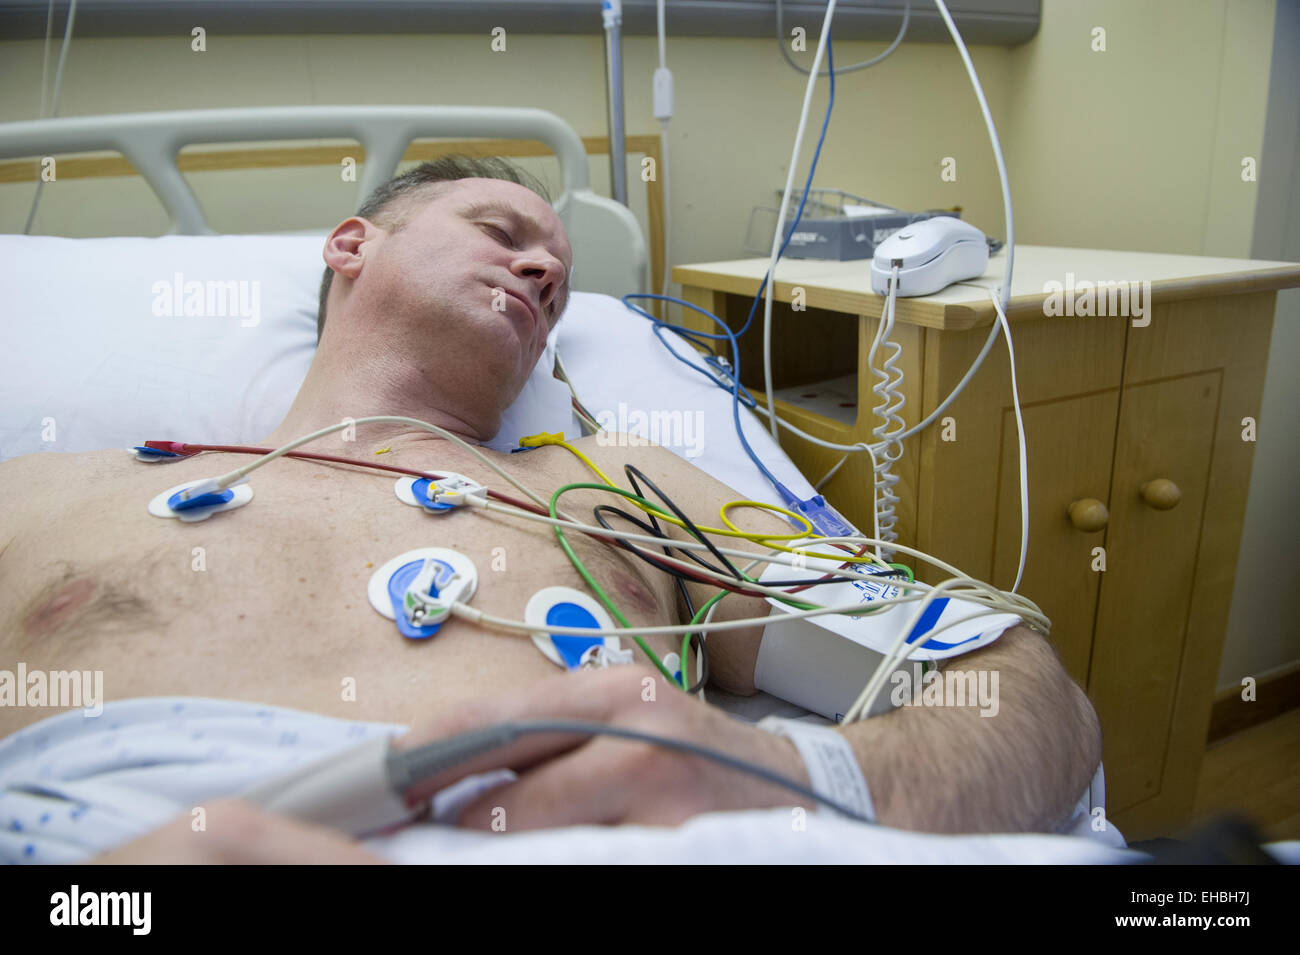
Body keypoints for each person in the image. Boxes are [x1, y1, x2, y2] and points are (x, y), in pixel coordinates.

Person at [0, 157, 1103, 863]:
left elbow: (1021, 698)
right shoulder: (55, 486)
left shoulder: (616, 482)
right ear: (351, 245)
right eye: (500, 230)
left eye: (563, 280)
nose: (542, 271)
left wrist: (804, 778)